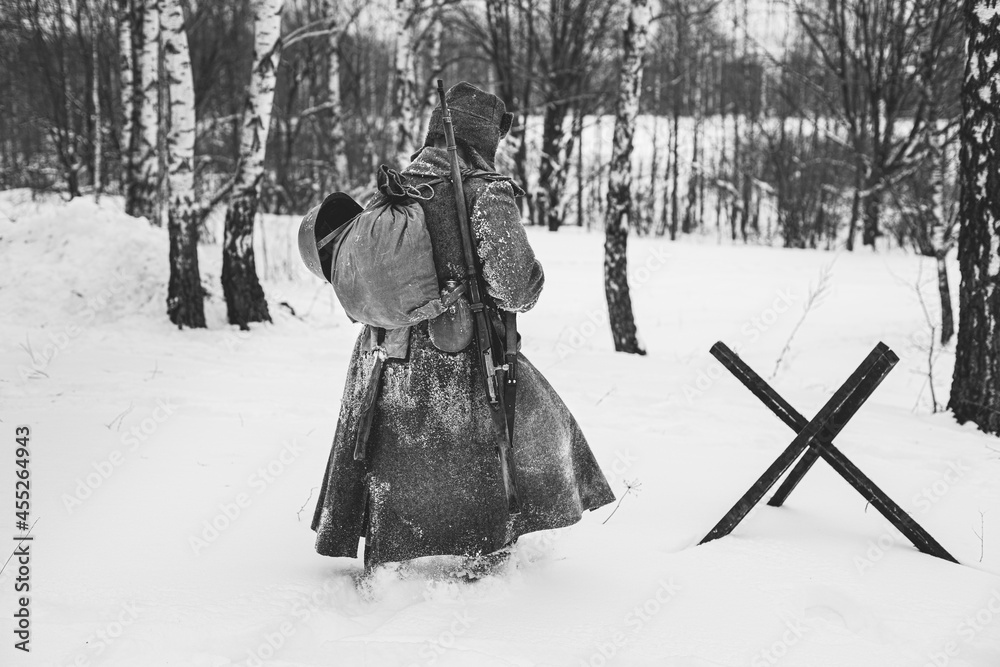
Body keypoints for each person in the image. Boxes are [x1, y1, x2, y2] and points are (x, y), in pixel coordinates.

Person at [310, 82, 615, 572]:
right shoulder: (485, 190)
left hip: (381, 357)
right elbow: (516, 287)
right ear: (486, 138)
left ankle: (388, 560)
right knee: (537, 429)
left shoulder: (392, 188)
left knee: (391, 460)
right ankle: (483, 560)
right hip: (457, 358)